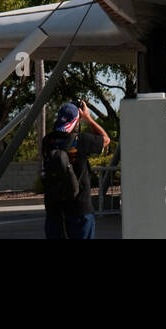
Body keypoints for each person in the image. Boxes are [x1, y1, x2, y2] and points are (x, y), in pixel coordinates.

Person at [41, 100, 109, 239]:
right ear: (76, 121)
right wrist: (88, 117)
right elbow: (106, 139)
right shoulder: (82, 140)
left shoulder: (47, 141)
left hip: (55, 208)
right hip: (80, 208)